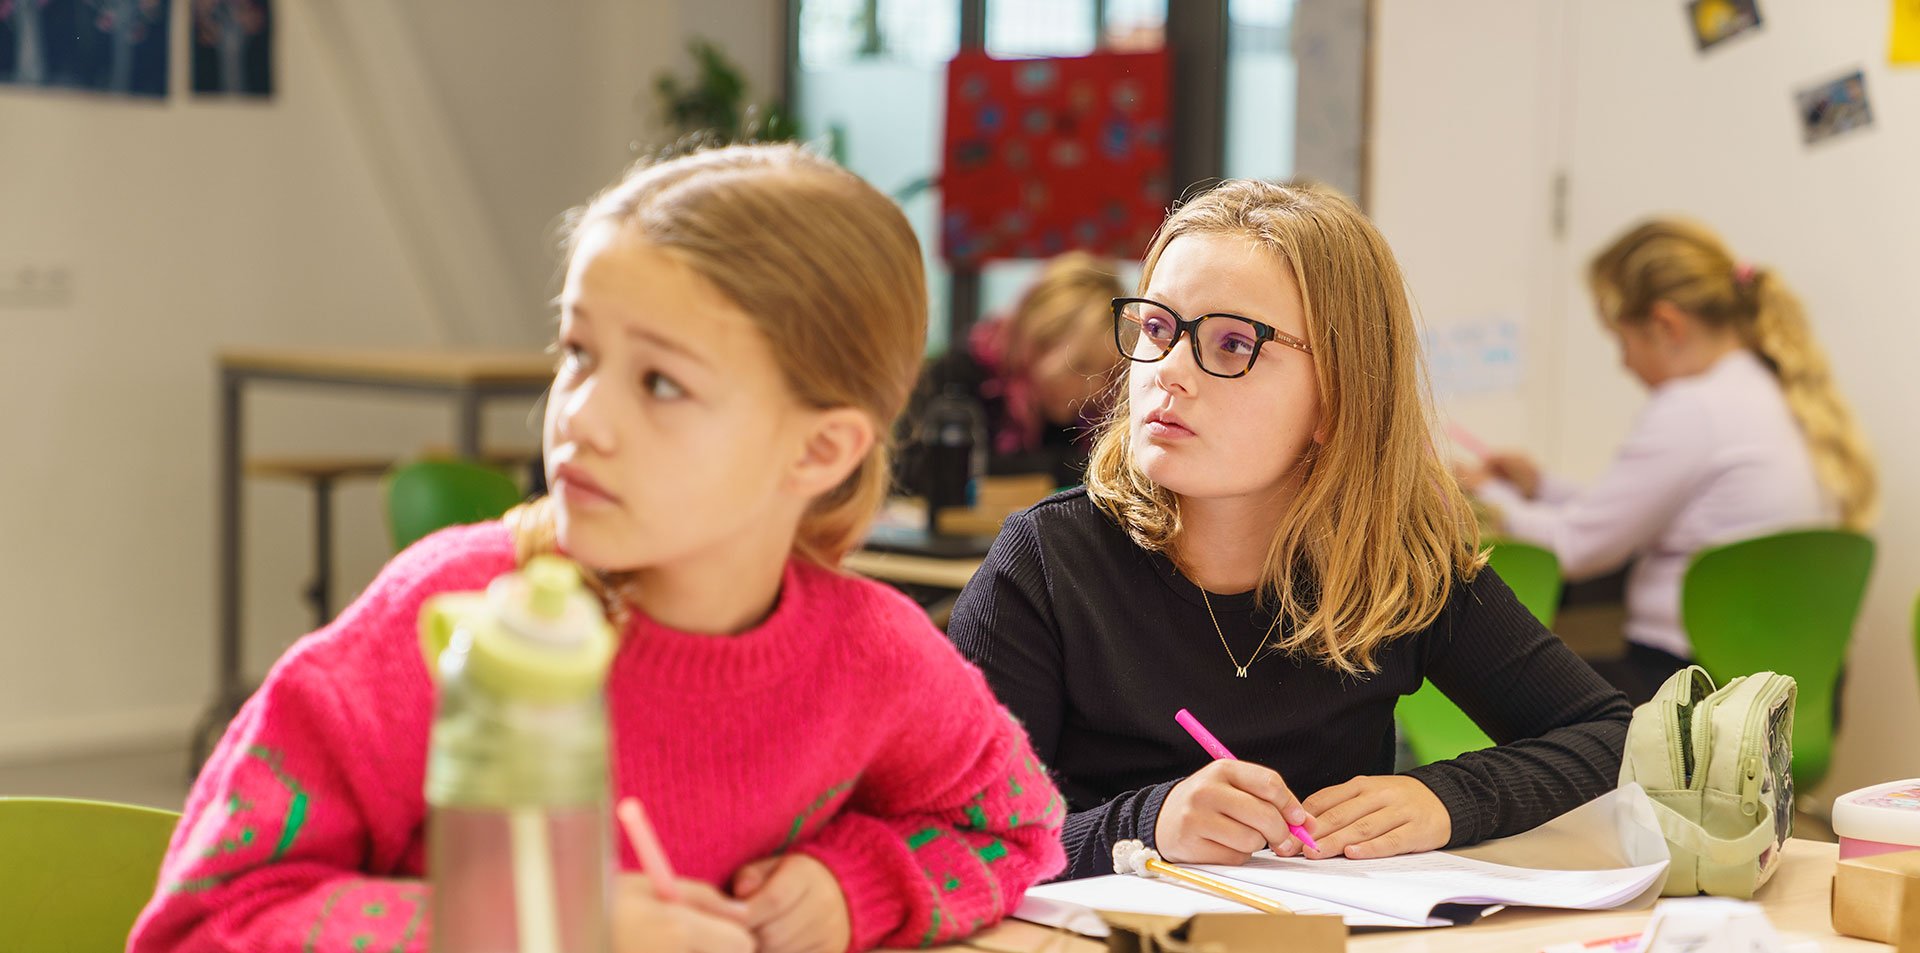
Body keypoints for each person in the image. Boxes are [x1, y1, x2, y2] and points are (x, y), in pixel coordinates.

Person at [130, 144, 1066, 953]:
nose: (580, 416)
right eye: (578, 352)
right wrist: (535, 925)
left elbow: (1016, 829)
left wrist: (850, 886)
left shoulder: (873, 655)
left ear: (819, 450)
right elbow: (205, 922)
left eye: (659, 382)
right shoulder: (451, 616)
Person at [946, 179, 1633, 881]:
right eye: (1156, 328)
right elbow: (954, 833)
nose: (1168, 371)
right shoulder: (1046, 561)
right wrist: (1145, 827)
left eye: (1233, 343)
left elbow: (1608, 734)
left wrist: (1446, 798)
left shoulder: (1393, 561)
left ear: (1336, 398)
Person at [1460, 218, 1877, 702]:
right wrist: (1541, 488)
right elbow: (1652, 509)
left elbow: (1576, 548)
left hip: (1694, 694)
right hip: (1784, 693)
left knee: (1511, 694)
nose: (1623, 363)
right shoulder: (1778, 393)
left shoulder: (1694, 408)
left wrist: (1482, 495)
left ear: (1666, 326)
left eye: (1623, 342)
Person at [905, 251, 1126, 489]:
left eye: (1107, 373)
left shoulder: (1083, 417)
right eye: (1080, 368)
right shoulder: (958, 376)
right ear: (1037, 342)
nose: (1095, 387)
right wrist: (1055, 467)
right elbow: (913, 471)